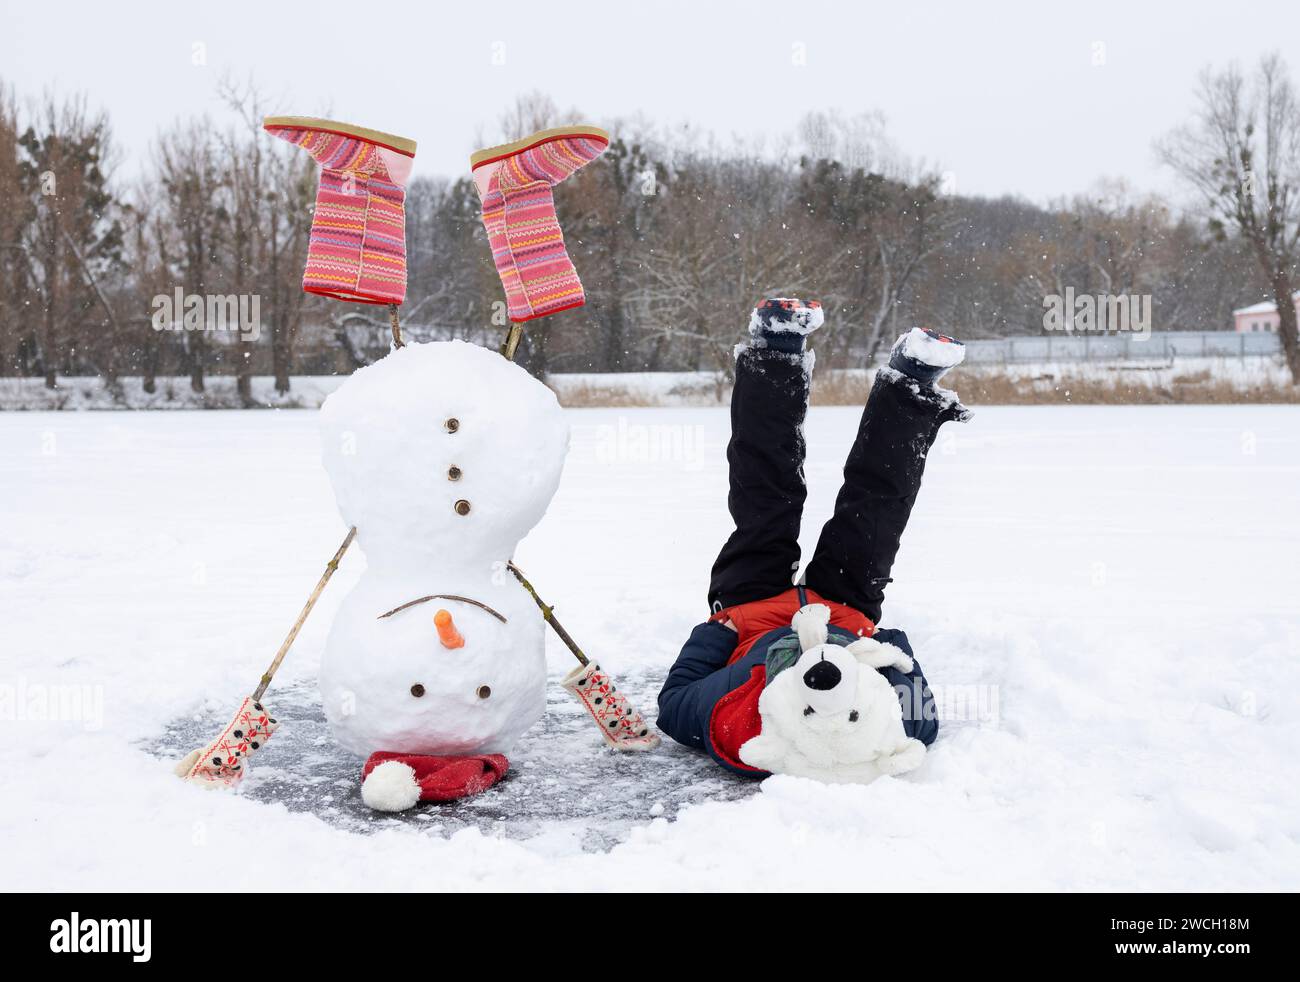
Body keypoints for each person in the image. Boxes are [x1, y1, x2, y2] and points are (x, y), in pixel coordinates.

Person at [656, 298, 970, 779]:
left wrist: (717, 635)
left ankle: (775, 348)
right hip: (844, 613)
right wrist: (881, 641)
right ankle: (912, 383)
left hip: (750, 610)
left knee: (768, 493)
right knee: (877, 511)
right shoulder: (887, 733)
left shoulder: (746, 731)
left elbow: (675, 703)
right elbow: (920, 716)